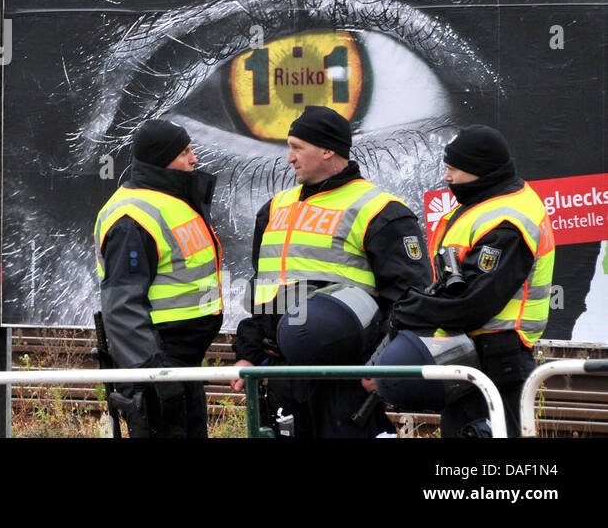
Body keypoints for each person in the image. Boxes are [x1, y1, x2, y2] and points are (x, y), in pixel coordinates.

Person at [230, 105, 430, 437]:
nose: (289, 158)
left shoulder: (380, 210)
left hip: (344, 374)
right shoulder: (275, 208)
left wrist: (381, 365)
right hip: (281, 372)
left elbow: (410, 299)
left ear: (328, 150)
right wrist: (247, 354)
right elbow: (263, 288)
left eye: (297, 147)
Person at [392, 125, 555, 437]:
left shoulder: (507, 221)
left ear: (481, 171)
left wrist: (409, 310)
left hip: (497, 358)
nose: (447, 177)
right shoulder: (490, 201)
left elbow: (473, 305)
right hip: (473, 354)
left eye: (454, 169)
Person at [93, 119, 223, 437]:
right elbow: (122, 306)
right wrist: (151, 374)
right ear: (162, 159)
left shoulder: (170, 200)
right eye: (185, 152)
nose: (194, 159)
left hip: (179, 364)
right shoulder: (132, 217)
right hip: (160, 364)